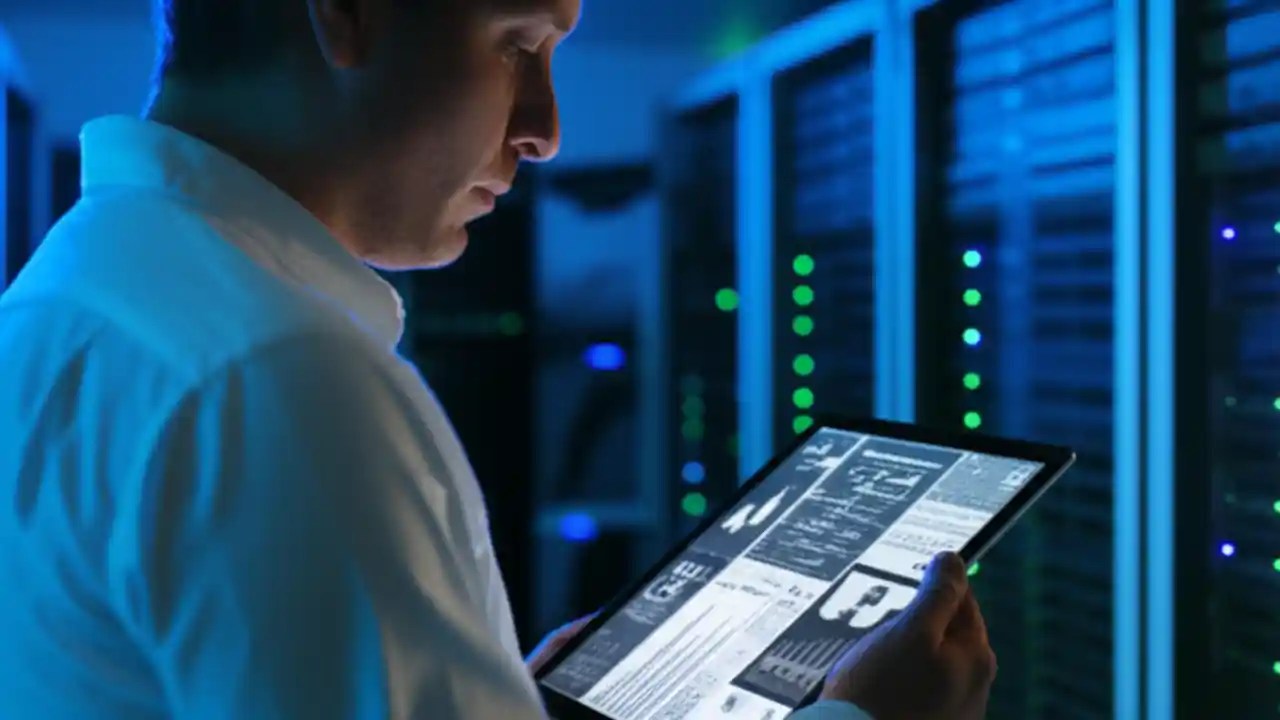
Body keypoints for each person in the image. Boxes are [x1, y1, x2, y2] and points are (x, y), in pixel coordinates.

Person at [0, 0, 996, 718]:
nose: (545, 130)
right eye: (518, 44)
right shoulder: (281, 374)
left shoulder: (81, 283)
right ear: (344, 14)